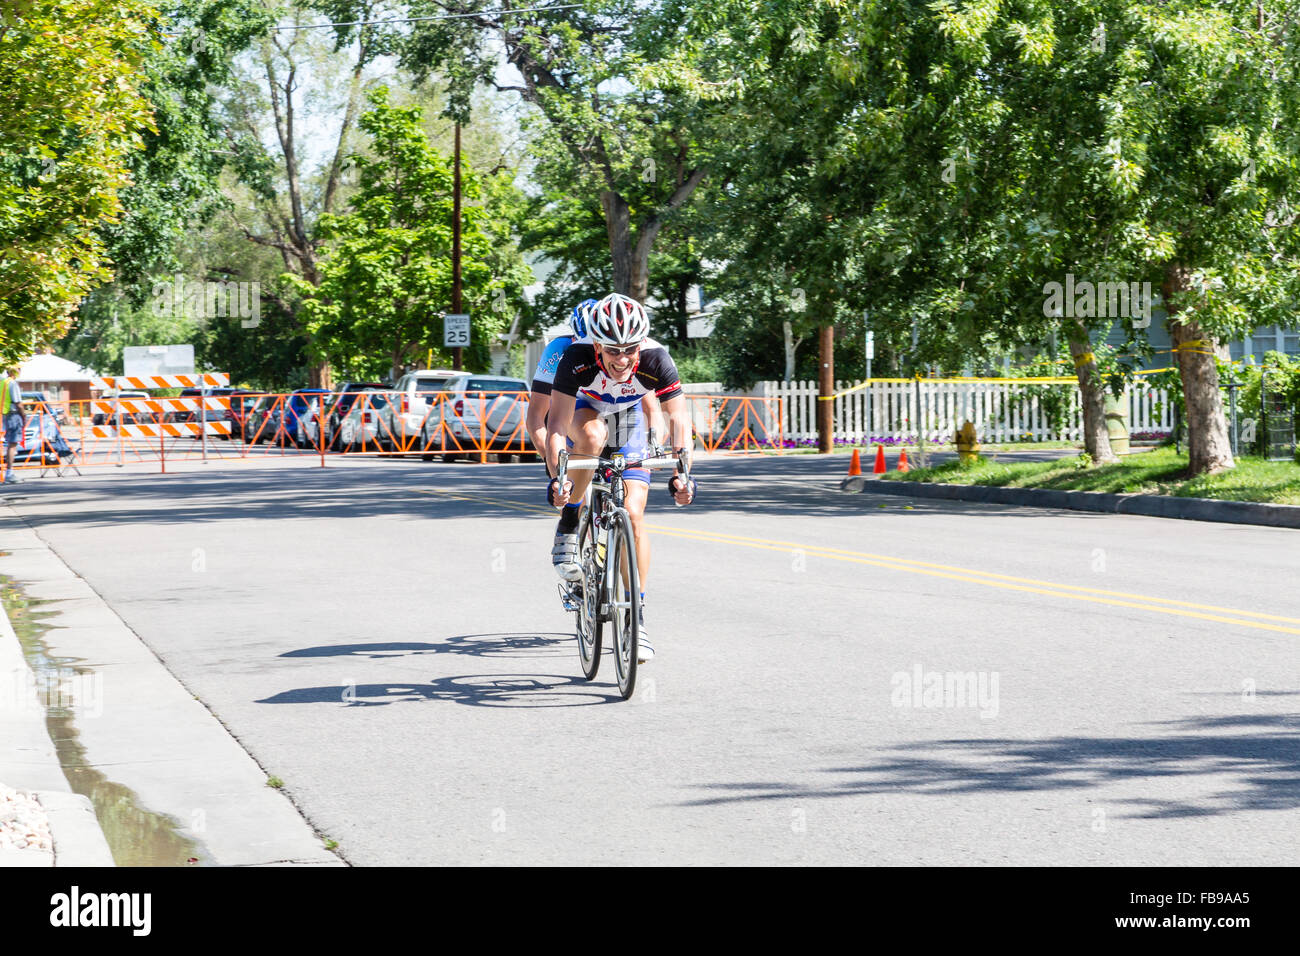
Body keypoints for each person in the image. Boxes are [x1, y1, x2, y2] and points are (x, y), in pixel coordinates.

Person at [544, 293, 698, 662]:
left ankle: (636, 620)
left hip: (628, 419)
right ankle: (571, 521)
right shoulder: (576, 358)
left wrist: (684, 473)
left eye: (630, 349)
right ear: (596, 344)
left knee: (634, 514)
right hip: (586, 410)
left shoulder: (657, 358)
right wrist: (559, 477)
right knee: (590, 435)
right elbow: (556, 424)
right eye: (612, 350)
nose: (623, 358)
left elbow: (678, 419)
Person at [2, 366, 27, 484]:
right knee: (12, 444)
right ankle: (9, 474)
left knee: (10, 443)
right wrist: (24, 416)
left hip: (6, 414)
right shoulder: (13, 383)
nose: (20, 371)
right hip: (13, 415)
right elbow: (18, 403)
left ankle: (9, 473)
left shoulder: (3, 382)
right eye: (18, 368)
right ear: (13, 371)